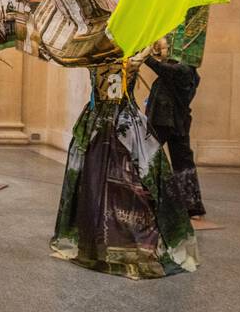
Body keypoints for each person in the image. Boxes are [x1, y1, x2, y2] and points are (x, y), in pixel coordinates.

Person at [50, 58, 197, 280]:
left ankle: (103, 239)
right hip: (117, 119)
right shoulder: (131, 54)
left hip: (104, 120)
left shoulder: (100, 55)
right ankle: (106, 237)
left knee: (102, 178)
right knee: (104, 179)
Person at [145, 38, 205, 219]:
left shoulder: (183, 70)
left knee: (147, 155)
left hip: (166, 122)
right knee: (183, 161)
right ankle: (190, 205)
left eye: (164, 47)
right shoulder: (180, 69)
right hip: (175, 122)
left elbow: (161, 68)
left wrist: (144, 56)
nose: (161, 50)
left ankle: (146, 197)